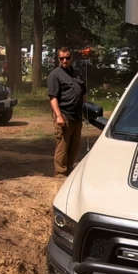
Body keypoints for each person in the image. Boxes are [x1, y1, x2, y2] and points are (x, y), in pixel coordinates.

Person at [47, 47, 85, 177]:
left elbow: (83, 92)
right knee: (63, 146)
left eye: (67, 58)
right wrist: (58, 116)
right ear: (58, 59)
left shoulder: (77, 73)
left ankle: (69, 171)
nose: (65, 60)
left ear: (71, 58)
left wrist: (85, 108)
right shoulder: (55, 75)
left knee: (74, 146)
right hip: (64, 115)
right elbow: (53, 97)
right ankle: (60, 174)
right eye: (62, 58)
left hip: (77, 116)